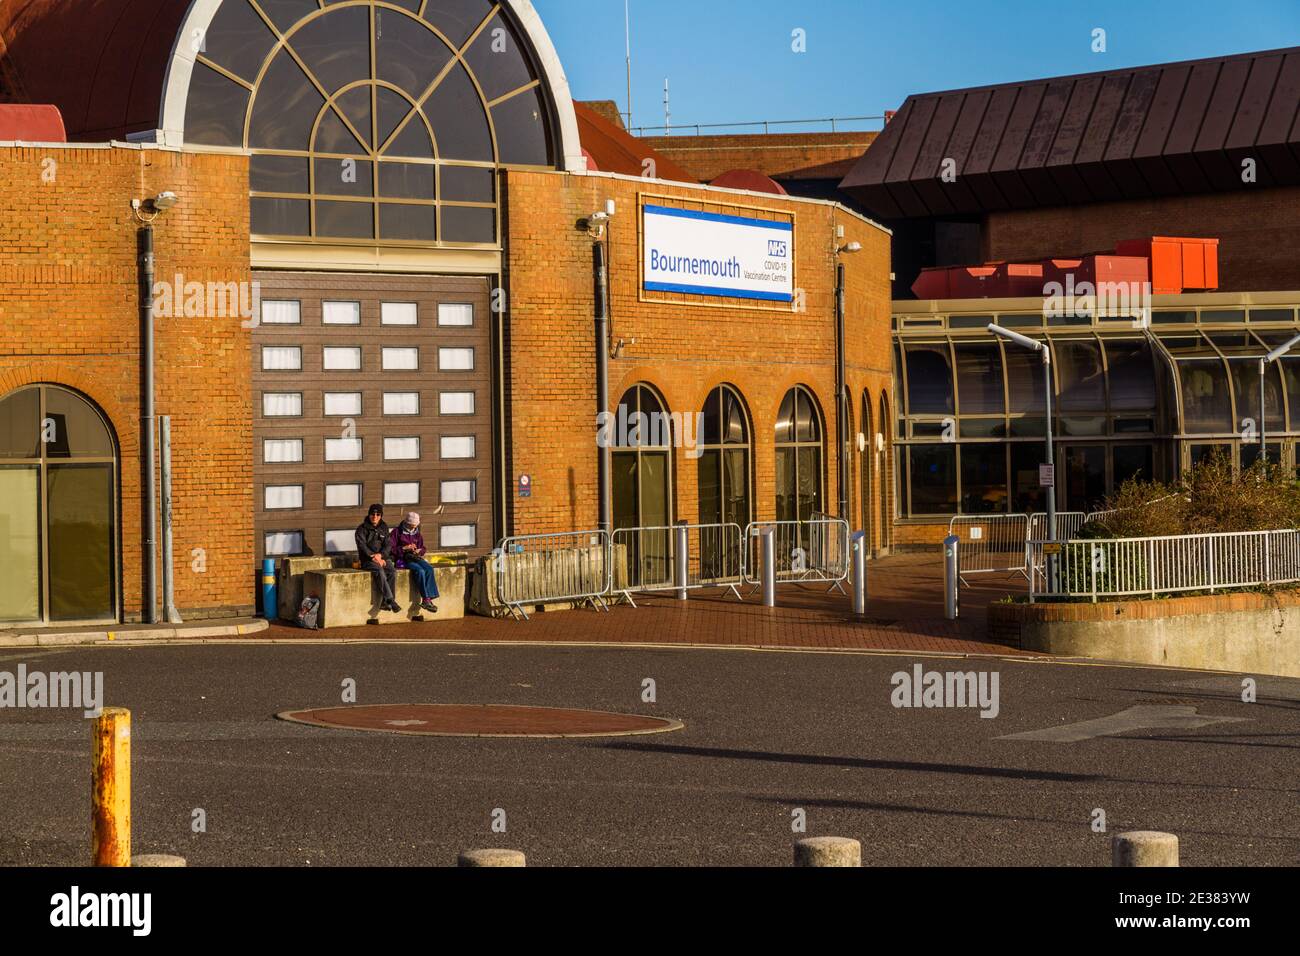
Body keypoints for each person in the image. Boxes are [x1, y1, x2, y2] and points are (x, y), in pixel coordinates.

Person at [390, 512, 439, 614]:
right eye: (412, 526)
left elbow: (423, 547)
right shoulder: (396, 532)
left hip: (415, 557)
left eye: (415, 526)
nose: (413, 528)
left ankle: (429, 598)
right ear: (407, 523)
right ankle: (426, 599)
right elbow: (390, 549)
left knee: (429, 568)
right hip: (403, 559)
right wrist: (404, 548)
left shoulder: (417, 533)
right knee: (420, 571)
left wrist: (419, 551)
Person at [355, 504, 400, 613]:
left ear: (381, 516)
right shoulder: (361, 529)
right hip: (367, 560)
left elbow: (388, 545)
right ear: (369, 515)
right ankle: (390, 599)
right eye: (372, 514)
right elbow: (362, 546)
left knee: (392, 571)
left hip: (382, 558)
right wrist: (373, 556)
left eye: (378, 514)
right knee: (379, 570)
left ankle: (385, 603)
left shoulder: (384, 527)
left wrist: (381, 556)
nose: (375, 516)